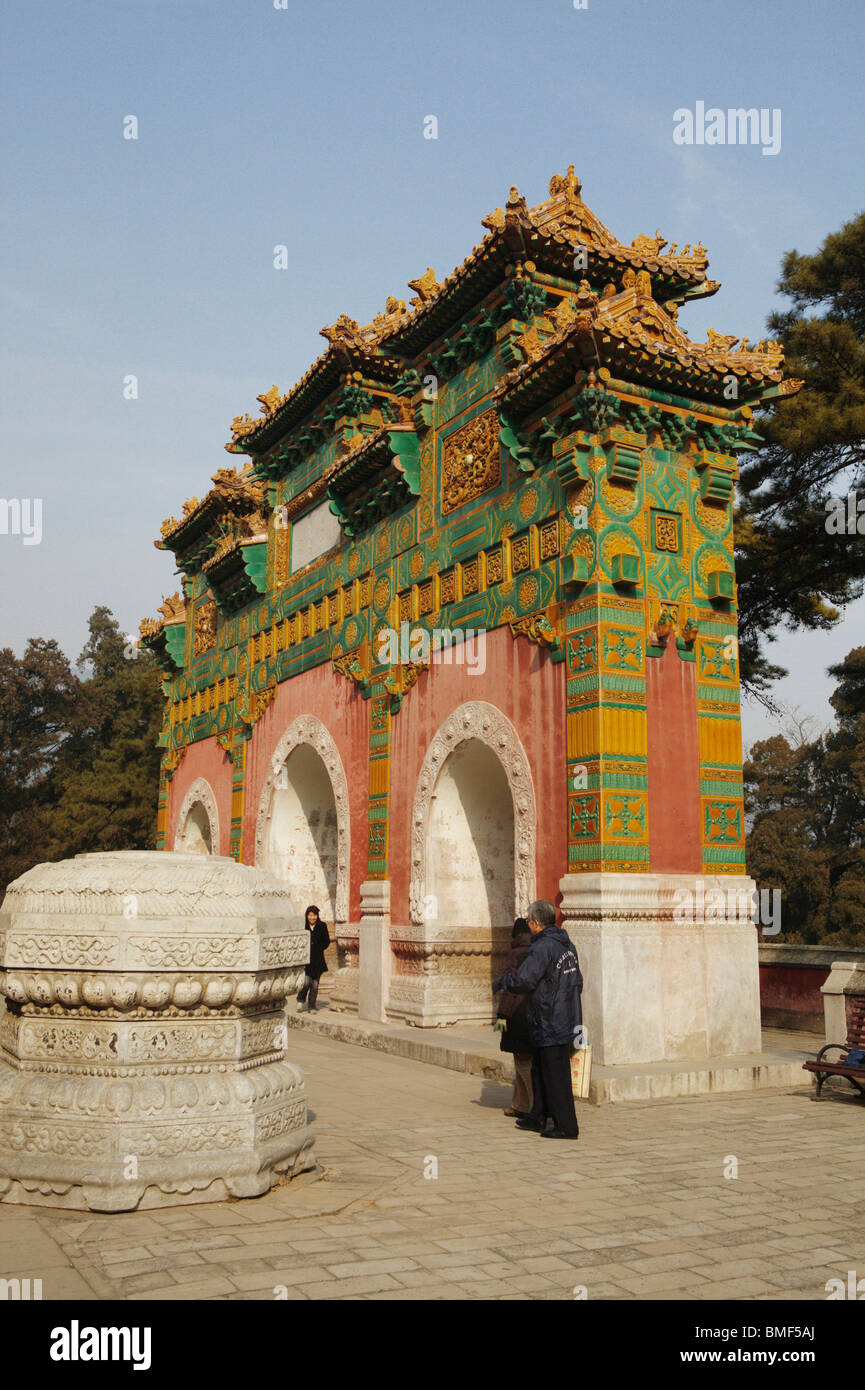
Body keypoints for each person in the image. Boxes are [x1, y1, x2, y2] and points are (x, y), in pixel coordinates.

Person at [493, 899, 582, 1140]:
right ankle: (537, 1116)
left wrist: (503, 982)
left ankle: (566, 1126)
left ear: (534, 923)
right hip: (563, 1016)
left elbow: (524, 980)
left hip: (550, 1019)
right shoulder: (566, 945)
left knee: (556, 1075)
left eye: (530, 921)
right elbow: (578, 982)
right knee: (540, 1070)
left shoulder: (542, 948)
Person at [493, 918, 534, 1119]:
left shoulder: (516, 953)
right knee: (526, 1062)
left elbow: (511, 988)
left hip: (518, 1014)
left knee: (522, 1063)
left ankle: (529, 1105)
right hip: (535, 1012)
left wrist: (502, 1015)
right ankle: (520, 1104)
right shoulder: (538, 949)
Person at [296, 904, 331, 1011]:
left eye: (314, 915)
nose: (312, 917)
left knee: (315, 985)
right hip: (306, 960)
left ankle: (312, 1005)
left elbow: (327, 941)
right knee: (306, 982)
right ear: (307, 916)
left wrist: (318, 948)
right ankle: (301, 1000)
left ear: (317, 916)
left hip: (318, 960)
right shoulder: (303, 926)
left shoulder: (322, 926)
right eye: (310, 915)